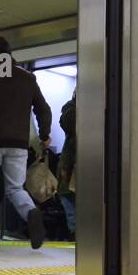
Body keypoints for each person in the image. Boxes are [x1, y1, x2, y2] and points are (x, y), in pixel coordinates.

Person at [0, 37, 52, 250]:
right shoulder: (27, 78)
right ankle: (30, 212)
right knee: (15, 188)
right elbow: (44, 109)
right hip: (18, 143)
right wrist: (45, 135)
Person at [58, 89, 77, 240]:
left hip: (72, 160)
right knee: (67, 194)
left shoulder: (70, 109)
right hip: (72, 160)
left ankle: (75, 230)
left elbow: (68, 125)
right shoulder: (71, 109)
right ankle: (74, 229)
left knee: (67, 194)